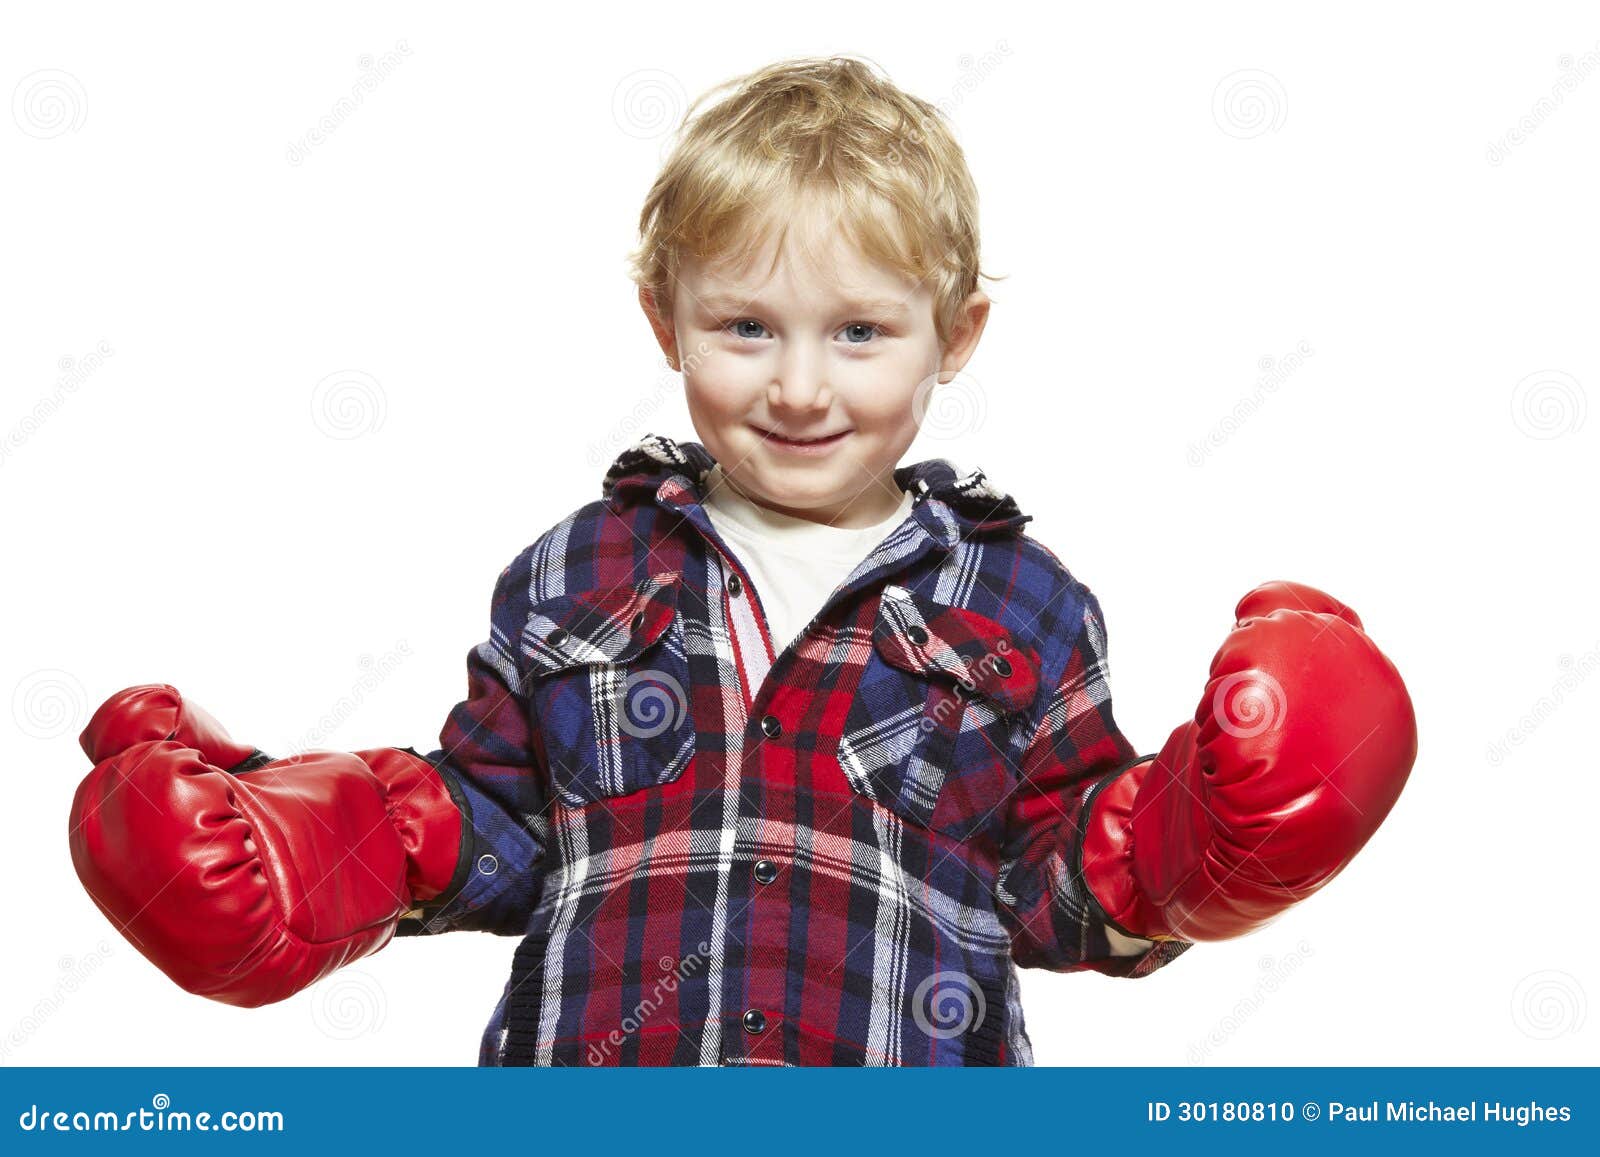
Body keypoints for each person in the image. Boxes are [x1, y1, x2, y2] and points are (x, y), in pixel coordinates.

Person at [67, 55, 1417, 1066]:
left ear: (961, 333)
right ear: (666, 320)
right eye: (747, 327)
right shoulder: (577, 569)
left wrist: (1203, 838)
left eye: (861, 333)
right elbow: (486, 821)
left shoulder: (1022, 602)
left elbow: (1059, 885)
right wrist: (311, 843)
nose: (800, 387)